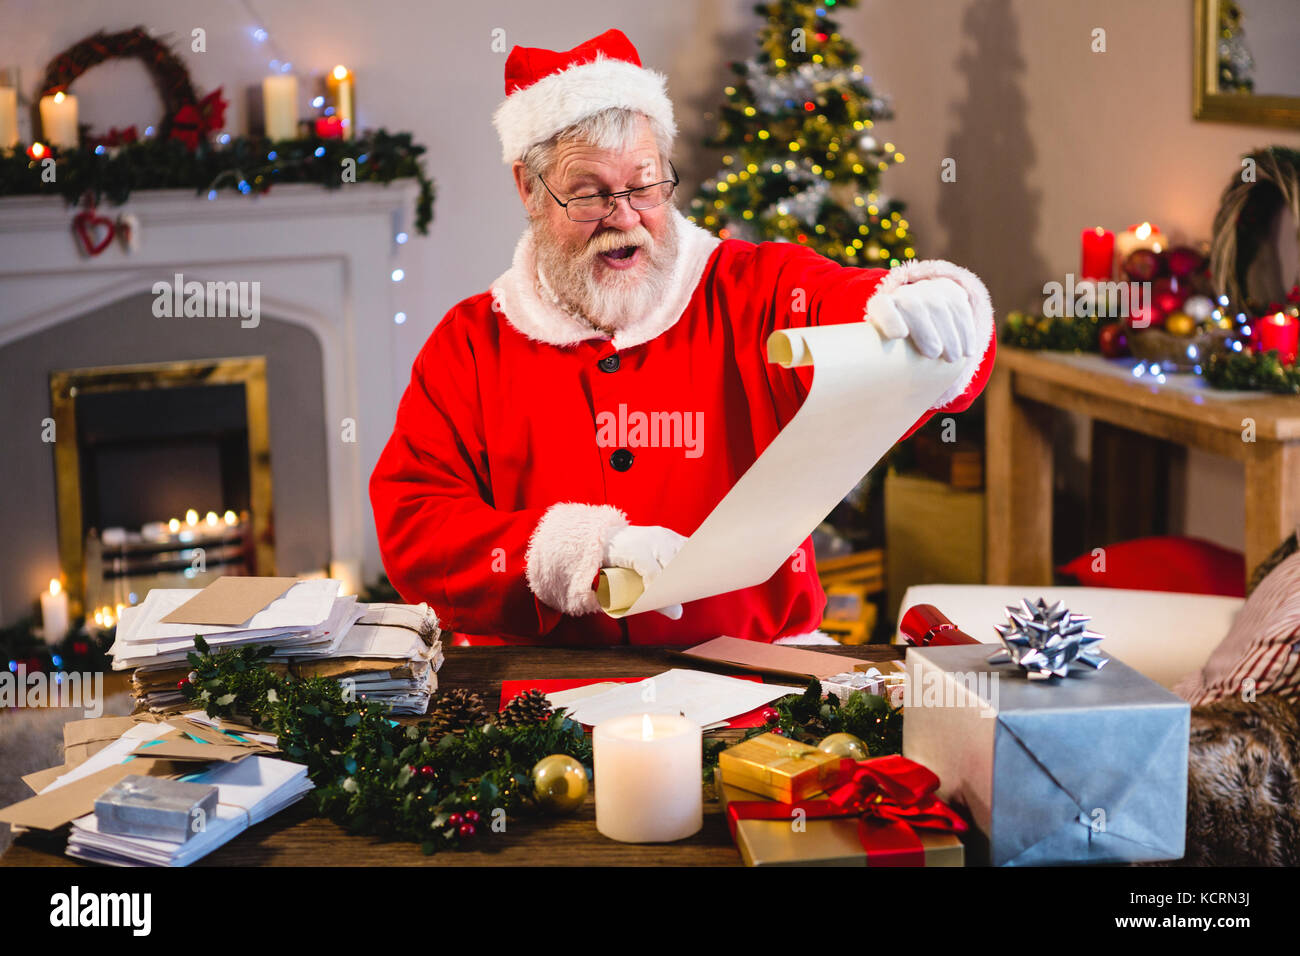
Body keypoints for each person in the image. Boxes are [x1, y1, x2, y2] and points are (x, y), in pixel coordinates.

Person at [370, 29, 995, 646]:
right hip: (537, 700)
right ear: (529, 191)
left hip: (757, 682)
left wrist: (920, 306)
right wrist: (579, 550)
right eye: (588, 194)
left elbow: (843, 305)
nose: (624, 218)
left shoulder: (753, 287)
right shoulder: (472, 342)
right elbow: (415, 527)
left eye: (644, 186)